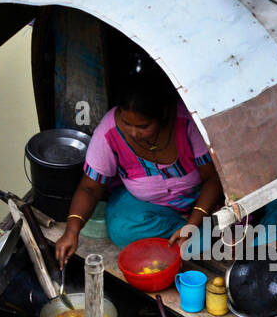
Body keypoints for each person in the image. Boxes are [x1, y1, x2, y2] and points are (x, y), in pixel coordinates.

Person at [55, 78, 224, 267]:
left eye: (143, 127)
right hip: (148, 206)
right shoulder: (108, 132)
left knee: (227, 229)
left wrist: (193, 222)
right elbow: (89, 188)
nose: (133, 133)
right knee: (122, 230)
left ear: (164, 114)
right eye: (126, 123)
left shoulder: (187, 122)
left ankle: (196, 232)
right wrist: (72, 231)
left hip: (200, 203)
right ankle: (196, 235)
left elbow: (213, 179)